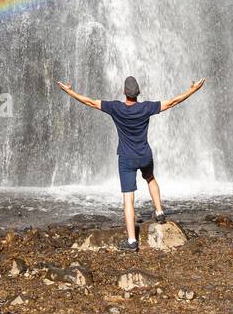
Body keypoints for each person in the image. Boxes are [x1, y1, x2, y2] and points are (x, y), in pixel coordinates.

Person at [56, 74, 206, 251]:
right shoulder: (146, 108)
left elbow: (89, 102)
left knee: (128, 199)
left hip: (127, 158)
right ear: (138, 93)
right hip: (144, 155)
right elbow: (173, 102)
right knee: (150, 177)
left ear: (124, 92)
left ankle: (132, 242)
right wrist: (193, 89)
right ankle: (159, 212)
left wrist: (70, 92)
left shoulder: (115, 108)